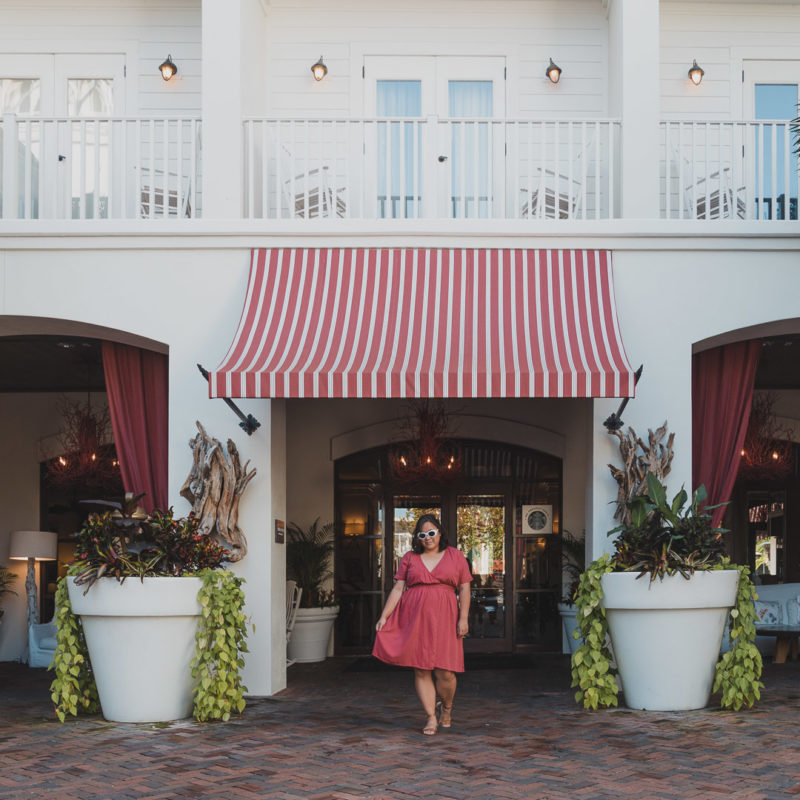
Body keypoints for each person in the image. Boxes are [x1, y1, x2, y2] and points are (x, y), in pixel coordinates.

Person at [372, 513, 472, 736]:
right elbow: (398, 588)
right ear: (417, 537)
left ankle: (446, 707)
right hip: (415, 618)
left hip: (446, 617)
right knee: (421, 668)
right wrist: (384, 616)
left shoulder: (455, 556)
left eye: (431, 533)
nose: (427, 538)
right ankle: (430, 717)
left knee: (445, 671)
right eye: (422, 534)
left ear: (440, 533)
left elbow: (464, 588)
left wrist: (463, 617)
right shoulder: (410, 558)